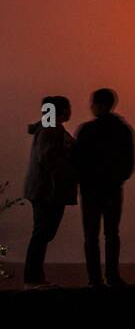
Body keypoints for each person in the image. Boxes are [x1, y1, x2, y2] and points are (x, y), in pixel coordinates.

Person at [72, 88, 135, 287]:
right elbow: (128, 163)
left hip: (90, 189)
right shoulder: (123, 130)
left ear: (100, 105)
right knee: (111, 233)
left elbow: (77, 161)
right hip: (113, 189)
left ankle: (94, 278)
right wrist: (116, 179)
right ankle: (112, 275)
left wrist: (84, 180)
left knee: (91, 236)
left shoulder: (87, 130)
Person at [22, 96, 77, 289]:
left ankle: (35, 276)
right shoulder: (51, 131)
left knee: (43, 233)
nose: (71, 111)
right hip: (47, 191)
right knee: (42, 233)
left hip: (43, 190)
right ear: (61, 111)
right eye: (68, 108)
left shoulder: (50, 129)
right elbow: (48, 159)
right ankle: (32, 278)